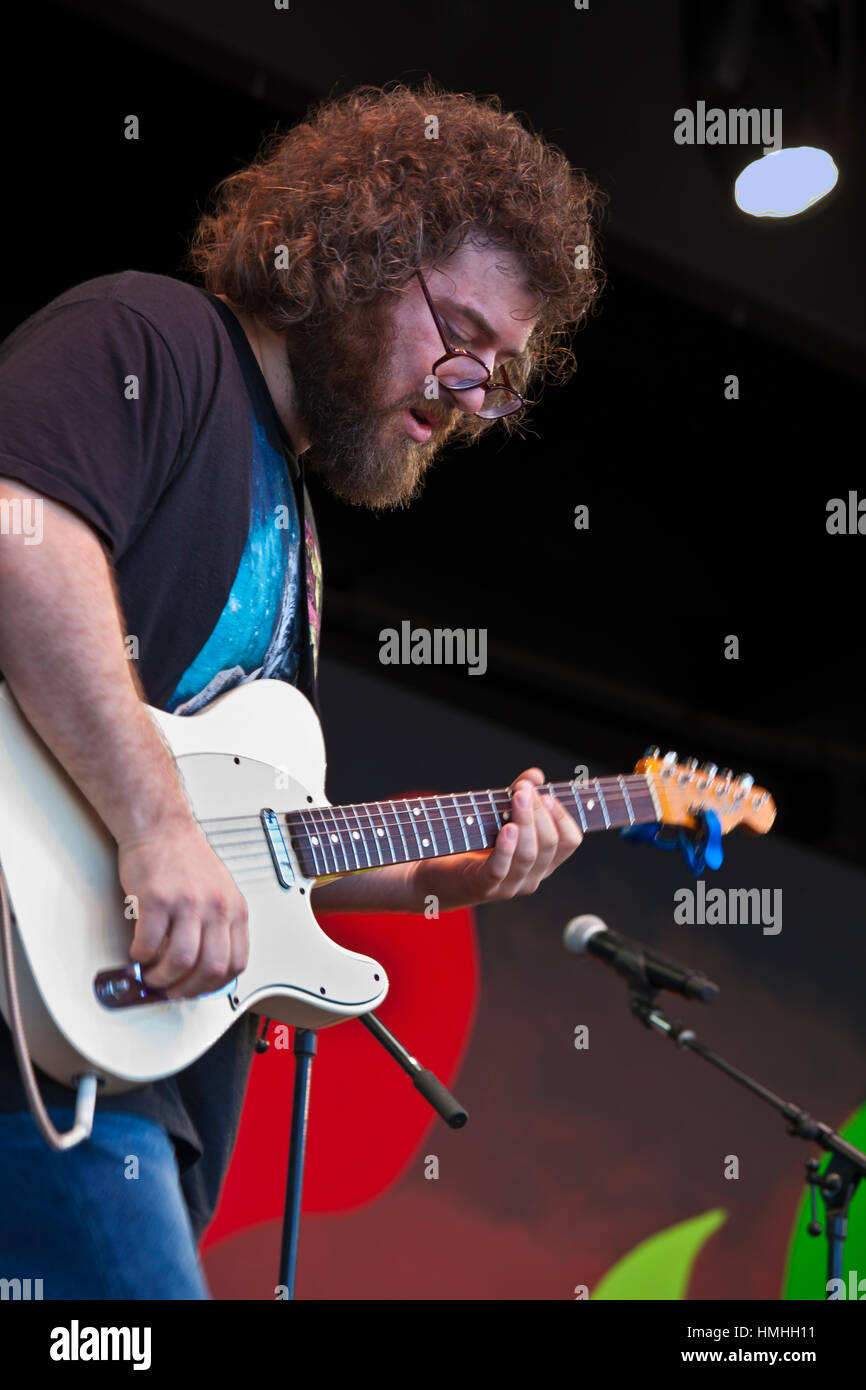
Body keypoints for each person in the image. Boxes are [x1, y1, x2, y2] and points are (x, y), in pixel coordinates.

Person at [0, 80, 606, 1299]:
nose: (463, 393)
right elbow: (20, 528)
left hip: (132, 1073)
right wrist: (156, 823)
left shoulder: (293, 525)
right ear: (356, 250)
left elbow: (246, 840)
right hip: (37, 1039)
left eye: (496, 376)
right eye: (460, 334)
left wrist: (441, 878)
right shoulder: (151, 335)